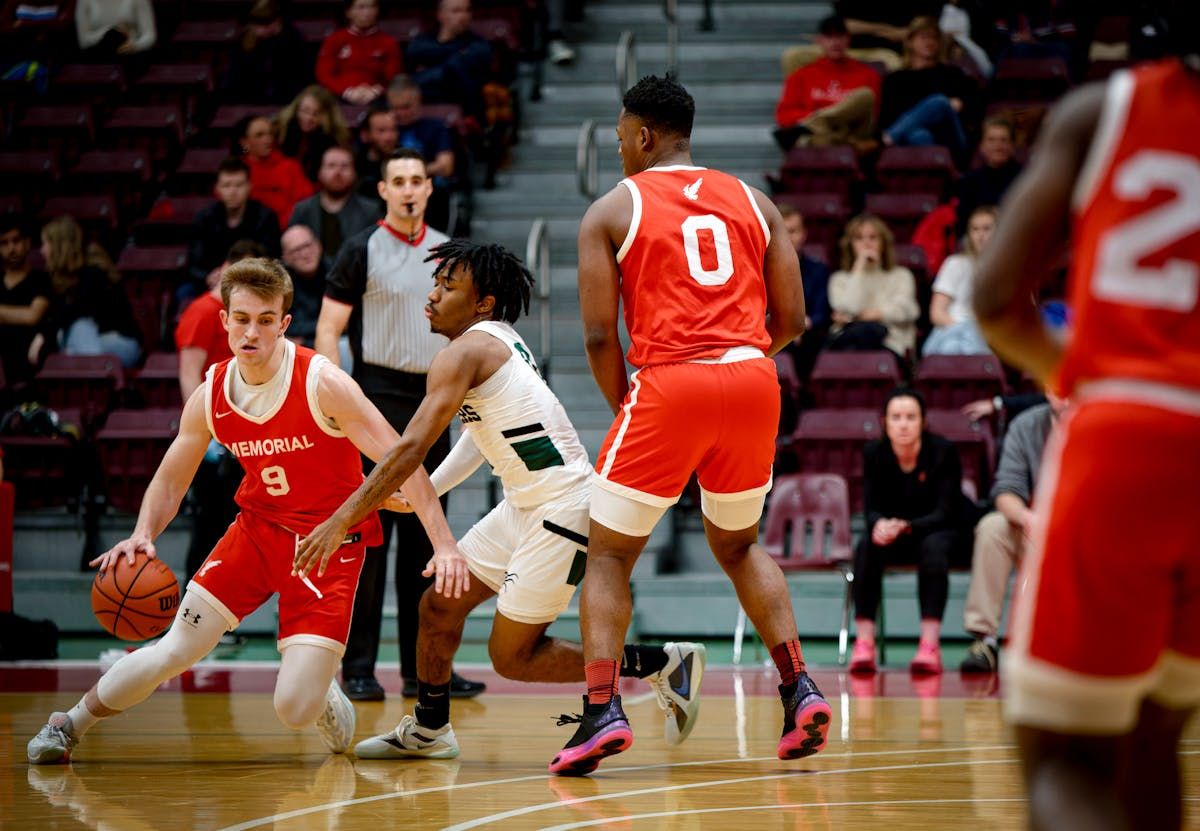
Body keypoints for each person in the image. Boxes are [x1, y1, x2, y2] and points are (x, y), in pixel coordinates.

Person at [26, 257, 458, 765]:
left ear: (284, 323)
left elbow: (403, 459)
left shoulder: (323, 383)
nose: (251, 331)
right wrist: (144, 532)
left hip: (329, 543)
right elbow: (171, 477)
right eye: (242, 318)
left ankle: (318, 690)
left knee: (293, 708)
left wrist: (444, 543)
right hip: (257, 532)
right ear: (224, 320)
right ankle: (68, 724)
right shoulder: (211, 395)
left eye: (265, 319)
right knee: (175, 648)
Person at [295, 240, 706, 760]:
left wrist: (344, 516)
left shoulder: (464, 352)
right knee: (439, 606)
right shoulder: (499, 342)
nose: (433, 295)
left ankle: (659, 663)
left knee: (511, 658)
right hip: (523, 505)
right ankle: (429, 729)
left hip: (562, 509)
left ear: (483, 303)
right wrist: (431, 490)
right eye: (436, 283)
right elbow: (477, 433)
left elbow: (407, 449)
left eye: (449, 287)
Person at [558, 75, 831, 776]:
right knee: (739, 545)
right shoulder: (755, 200)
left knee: (611, 554)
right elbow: (795, 321)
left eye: (622, 138)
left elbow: (595, 334)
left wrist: (633, 401)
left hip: (668, 380)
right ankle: (799, 685)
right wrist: (735, 365)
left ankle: (600, 708)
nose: (620, 149)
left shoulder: (611, 209)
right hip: (751, 378)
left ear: (643, 135)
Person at [972, 25, 1200, 829]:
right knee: (1155, 735)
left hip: (1134, 424)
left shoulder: (1108, 110)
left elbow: (997, 296)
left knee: (1068, 757)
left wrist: (1076, 370)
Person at [314, 148, 483, 702]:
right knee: (371, 540)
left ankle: (423, 670)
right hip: (376, 398)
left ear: (429, 189)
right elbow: (327, 331)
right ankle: (358, 667)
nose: (409, 189)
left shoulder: (450, 254)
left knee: (427, 541)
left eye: (417, 180)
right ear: (383, 191)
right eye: (399, 182)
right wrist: (339, 409)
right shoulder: (360, 247)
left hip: (434, 397)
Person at [849, 387, 976, 675]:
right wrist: (880, 524)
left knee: (933, 548)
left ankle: (929, 647)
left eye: (910, 417)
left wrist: (905, 526)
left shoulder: (943, 451)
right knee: (867, 546)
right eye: (896, 417)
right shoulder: (874, 453)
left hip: (946, 531)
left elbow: (946, 512)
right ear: (885, 422)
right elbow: (870, 507)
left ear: (923, 422)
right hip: (901, 532)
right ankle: (864, 643)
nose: (903, 423)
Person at [175, 241, 266, 585]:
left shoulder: (249, 318)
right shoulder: (202, 311)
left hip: (241, 434)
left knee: (229, 527)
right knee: (208, 528)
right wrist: (207, 432)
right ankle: (191, 611)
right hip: (215, 437)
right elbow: (189, 375)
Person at [961, 393, 1062, 674]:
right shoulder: (1026, 425)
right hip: (1035, 524)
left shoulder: (1098, 425)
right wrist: (1029, 518)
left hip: (1083, 530)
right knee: (993, 527)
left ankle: (1046, 640)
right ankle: (986, 640)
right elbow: (1006, 491)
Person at [33, 216, 141, 368]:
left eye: (45, 243)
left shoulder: (94, 274)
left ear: (58, 246)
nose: (41, 251)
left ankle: (95, 374)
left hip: (120, 345)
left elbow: (73, 312)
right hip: (93, 345)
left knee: (79, 326)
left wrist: (42, 337)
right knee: (67, 347)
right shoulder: (58, 280)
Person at [774, 14, 881, 151]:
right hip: (825, 135)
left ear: (848, 39)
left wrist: (819, 117)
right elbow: (783, 116)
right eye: (829, 37)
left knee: (865, 95)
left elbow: (873, 116)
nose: (835, 42)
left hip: (855, 131)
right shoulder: (802, 75)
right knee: (820, 140)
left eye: (839, 36)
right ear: (819, 40)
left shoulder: (868, 74)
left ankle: (820, 122)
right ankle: (841, 138)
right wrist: (815, 117)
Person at [879, 17, 976, 163]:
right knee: (919, 135)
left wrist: (961, 105)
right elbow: (887, 117)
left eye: (934, 37)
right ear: (910, 41)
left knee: (939, 102)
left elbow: (974, 106)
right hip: (910, 141)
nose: (929, 42)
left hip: (950, 139)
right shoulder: (895, 79)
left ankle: (890, 136)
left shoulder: (953, 74)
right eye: (924, 37)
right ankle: (936, 175)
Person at [185, 157, 281, 306]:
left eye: (239, 185)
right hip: (211, 284)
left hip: (253, 283)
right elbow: (193, 264)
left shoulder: (265, 217)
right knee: (185, 293)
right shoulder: (204, 218)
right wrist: (207, 276)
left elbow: (271, 260)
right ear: (217, 189)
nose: (233, 191)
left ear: (249, 186)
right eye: (227, 185)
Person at [826, 213, 919, 357]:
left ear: (883, 242)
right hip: (849, 344)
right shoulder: (840, 279)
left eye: (873, 237)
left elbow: (905, 311)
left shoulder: (901, 275)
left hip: (889, 343)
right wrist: (859, 269)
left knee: (868, 333)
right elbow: (849, 307)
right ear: (850, 244)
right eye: (859, 238)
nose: (866, 243)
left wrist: (861, 317)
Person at [922, 205, 996, 356]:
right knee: (953, 346)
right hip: (953, 330)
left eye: (986, 229)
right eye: (975, 229)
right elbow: (936, 313)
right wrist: (963, 330)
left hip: (991, 335)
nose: (980, 235)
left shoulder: (1010, 268)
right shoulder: (955, 263)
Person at [288, 146, 382, 259]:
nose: (338, 172)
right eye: (331, 166)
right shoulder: (302, 210)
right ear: (320, 172)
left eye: (345, 166)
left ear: (354, 173)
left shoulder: (371, 211)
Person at [405, 0, 493, 122]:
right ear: (440, 15)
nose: (463, 16)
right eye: (456, 11)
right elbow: (410, 79)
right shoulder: (420, 43)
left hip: (464, 112)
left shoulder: (479, 46)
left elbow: (454, 74)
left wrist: (425, 73)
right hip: (421, 110)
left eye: (467, 10)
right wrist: (452, 59)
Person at [777, 203, 830, 382]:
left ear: (803, 234)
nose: (786, 238)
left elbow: (822, 314)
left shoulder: (819, 270)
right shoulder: (757, 270)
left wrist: (800, 324)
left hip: (808, 337)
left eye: (792, 231)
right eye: (781, 232)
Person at [234, 115, 316, 229]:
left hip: (287, 230)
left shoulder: (290, 167)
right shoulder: (237, 169)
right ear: (244, 142)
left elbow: (305, 203)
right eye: (259, 135)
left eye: (270, 134)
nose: (268, 140)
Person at [0, 212, 51, 392]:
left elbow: (33, 316)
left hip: (29, 365)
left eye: (16, 241)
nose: (11, 248)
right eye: (4, 243)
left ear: (27, 243)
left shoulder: (40, 279)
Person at [222, 0, 308, 106]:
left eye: (261, 25)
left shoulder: (293, 38)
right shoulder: (244, 39)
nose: (256, 30)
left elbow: (296, 74)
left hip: (285, 96)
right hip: (251, 95)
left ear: (275, 23)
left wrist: (278, 39)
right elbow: (236, 74)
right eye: (254, 25)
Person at [316, 0, 402, 105]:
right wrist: (347, 92)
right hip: (340, 96)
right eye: (361, 7)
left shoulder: (389, 42)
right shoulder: (334, 40)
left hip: (378, 99)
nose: (367, 12)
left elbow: (393, 77)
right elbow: (324, 74)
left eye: (372, 7)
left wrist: (375, 91)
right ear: (348, 12)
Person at [955, 117, 1021, 237]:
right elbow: (962, 226)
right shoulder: (970, 181)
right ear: (982, 146)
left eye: (1003, 140)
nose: (998, 146)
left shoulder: (1025, 179)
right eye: (991, 140)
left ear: (1012, 146)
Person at [277, 85, 352, 183]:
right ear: (296, 109)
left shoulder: (335, 139)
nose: (308, 118)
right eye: (305, 111)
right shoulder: (281, 129)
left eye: (316, 114)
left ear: (327, 116)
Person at [280, 225, 330, 348]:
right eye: (297, 250)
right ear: (286, 258)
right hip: (296, 350)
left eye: (307, 245)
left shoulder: (336, 273)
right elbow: (284, 326)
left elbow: (346, 324)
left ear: (318, 245)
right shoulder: (279, 283)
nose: (305, 254)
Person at [75, 0, 155, 58]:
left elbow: (149, 35)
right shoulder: (84, 1)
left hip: (131, 55)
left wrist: (135, 46)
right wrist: (112, 30)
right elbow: (83, 41)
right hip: (96, 54)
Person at [354, 106, 398, 200]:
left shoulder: (405, 162)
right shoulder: (354, 164)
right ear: (365, 135)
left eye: (393, 130)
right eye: (381, 131)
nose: (389, 137)